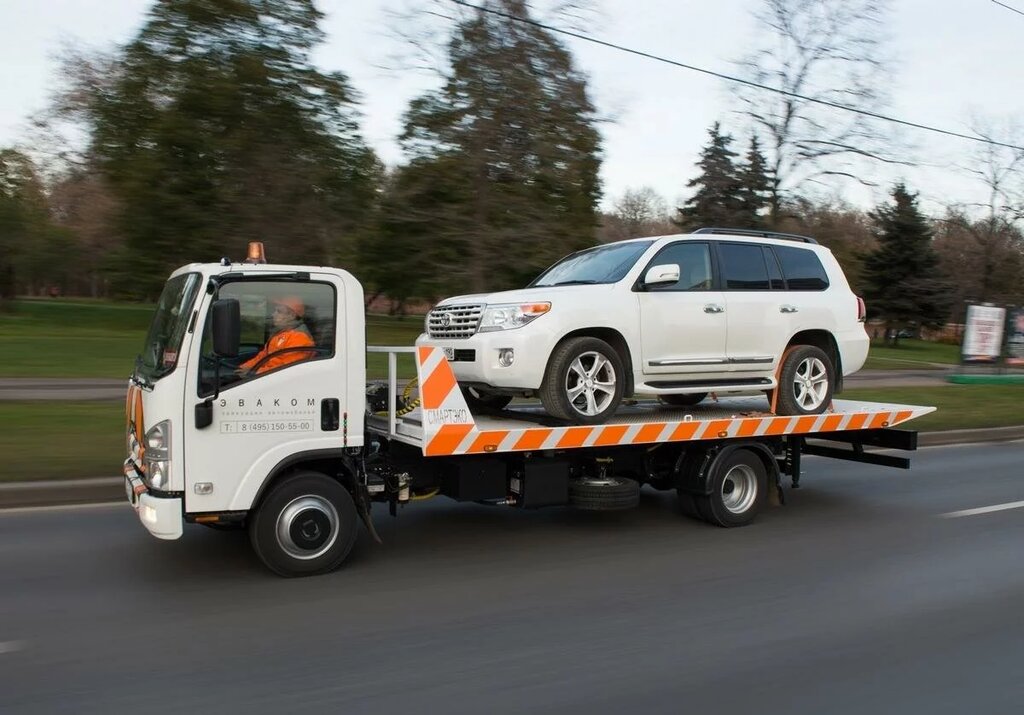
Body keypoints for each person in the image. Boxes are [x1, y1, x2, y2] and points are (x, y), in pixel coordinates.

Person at [238, 296, 316, 376]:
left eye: (279, 311)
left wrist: (253, 373)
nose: (273, 314)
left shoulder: (300, 339)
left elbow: (286, 369)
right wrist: (243, 368)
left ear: (292, 315)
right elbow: (263, 356)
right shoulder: (281, 333)